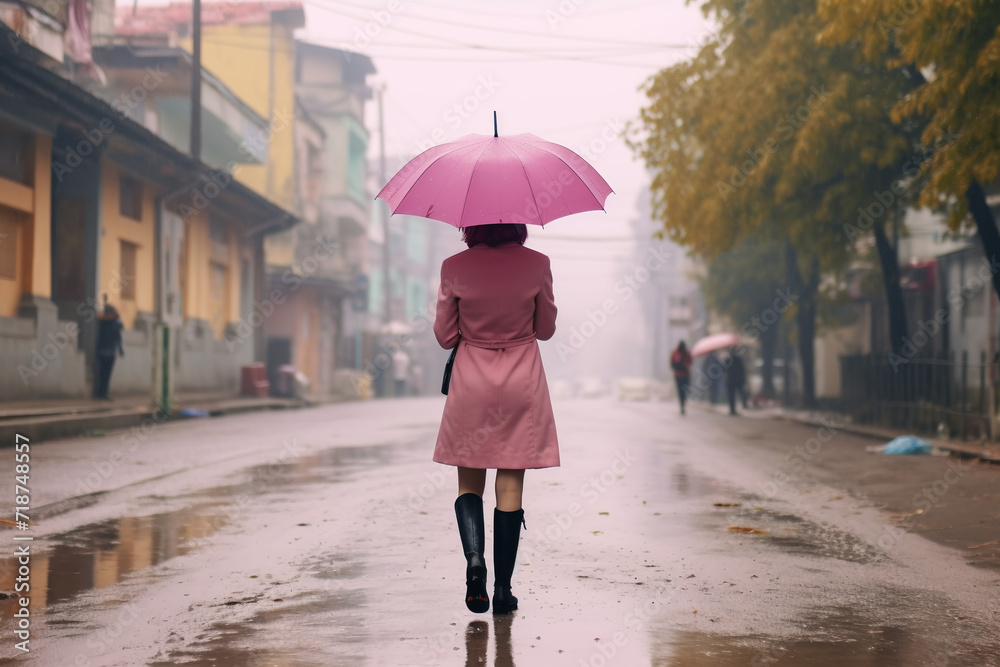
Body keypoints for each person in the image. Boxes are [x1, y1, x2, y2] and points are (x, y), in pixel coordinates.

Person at [433, 222, 558, 615]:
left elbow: (445, 336)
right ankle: (503, 590)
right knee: (510, 484)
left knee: (470, 481)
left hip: (471, 382)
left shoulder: (454, 267)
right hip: (521, 380)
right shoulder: (538, 264)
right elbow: (546, 329)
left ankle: (475, 562)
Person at [94, 296, 124, 400]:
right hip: (108, 352)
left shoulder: (103, 322)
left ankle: (101, 393)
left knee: (102, 374)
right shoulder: (112, 323)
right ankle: (102, 393)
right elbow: (118, 336)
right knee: (105, 375)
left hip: (103, 352)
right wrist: (121, 351)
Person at [670, 340, 693, 415]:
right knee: (680, 391)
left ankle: (683, 404)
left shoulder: (686, 353)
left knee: (684, 391)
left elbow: (690, 362)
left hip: (685, 375)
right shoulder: (675, 353)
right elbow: (672, 363)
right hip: (679, 375)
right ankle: (682, 405)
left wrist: (684, 365)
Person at [726, 346, 748, 415]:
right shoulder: (739, 359)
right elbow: (742, 371)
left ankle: (732, 409)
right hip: (738, 380)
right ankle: (744, 405)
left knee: (731, 396)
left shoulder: (728, 360)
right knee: (741, 393)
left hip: (731, 380)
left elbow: (724, 369)